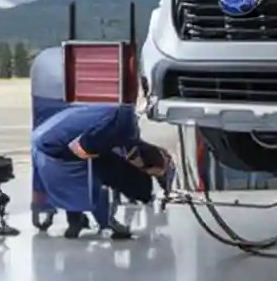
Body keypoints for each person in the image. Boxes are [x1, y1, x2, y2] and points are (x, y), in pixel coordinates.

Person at [31, 102, 174, 239]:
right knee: (95, 172)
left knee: (94, 167)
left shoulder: (127, 122)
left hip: (49, 131)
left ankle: (78, 218)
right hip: (51, 146)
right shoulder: (110, 135)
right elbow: (82, 152)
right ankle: (101, 221)